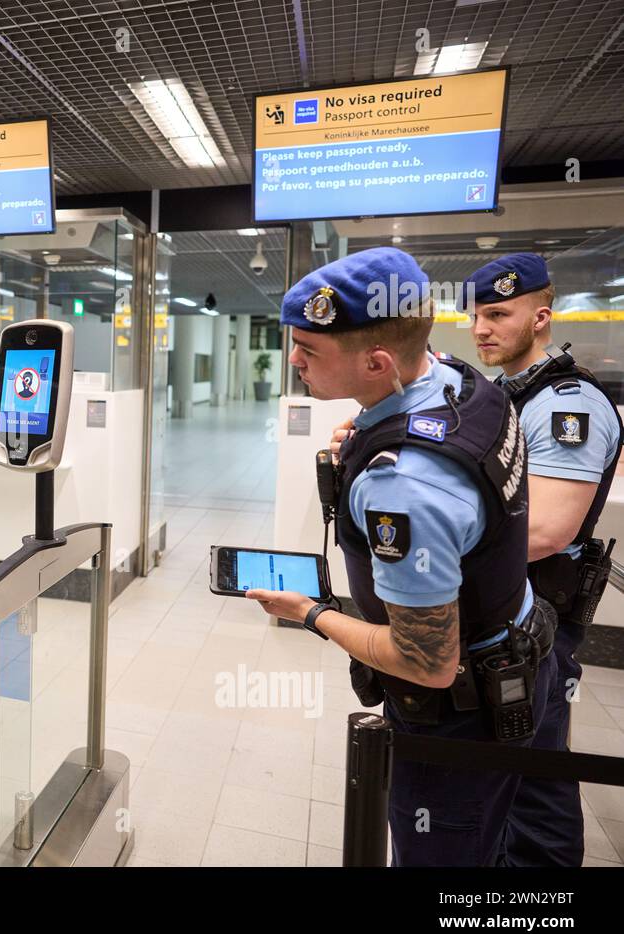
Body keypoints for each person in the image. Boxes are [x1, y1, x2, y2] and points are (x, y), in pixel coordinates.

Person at [246, 247, 555, 866]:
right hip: (518, 650)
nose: (294, 360)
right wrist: (367, 428)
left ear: (378, 361)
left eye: (310, 349)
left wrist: (309, 613)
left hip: (460, 712)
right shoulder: (462, 382)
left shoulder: (402, 487)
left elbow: (426, 661)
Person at [463, 252, 622, 866]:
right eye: (476, 315)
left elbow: (550, 531)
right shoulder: (502, 395)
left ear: (541, 318)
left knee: (533, 781)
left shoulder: (565, 405)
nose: (481, 328)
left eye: (498, 313)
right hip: (501, 610)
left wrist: (434, 545)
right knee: (503, 767)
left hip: (539, 621)